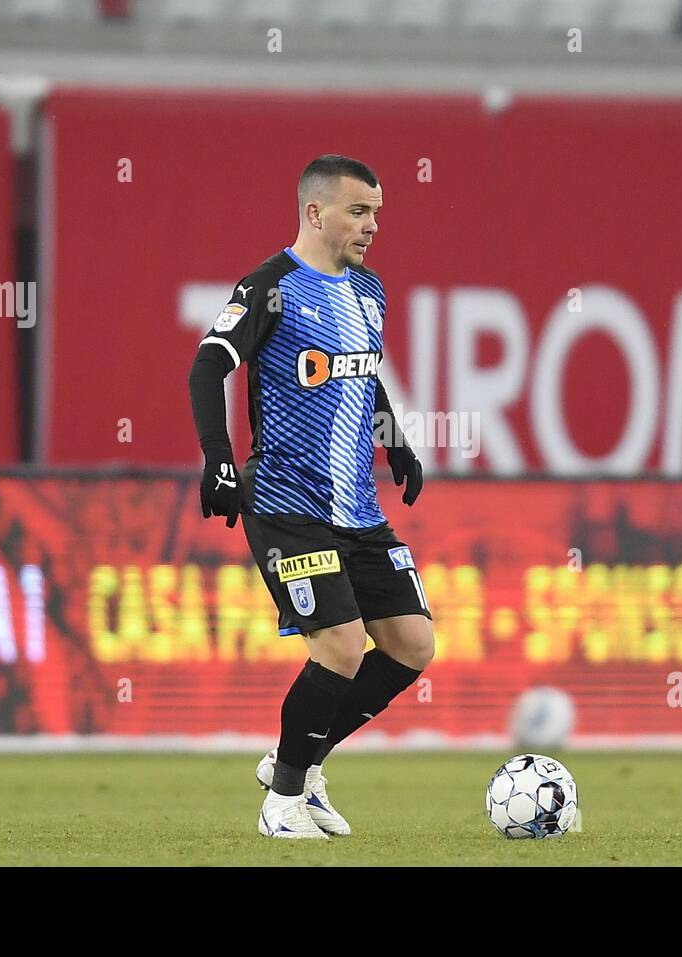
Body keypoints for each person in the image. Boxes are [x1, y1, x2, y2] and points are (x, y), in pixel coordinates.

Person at [188, 154, 435, 839]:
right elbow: (209, 364)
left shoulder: (368, 290)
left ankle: (300, 760)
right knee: (341, 644)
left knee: (413, 644)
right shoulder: (270, 288)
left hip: (357, 506)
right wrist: (218, 459)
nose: (372, 226)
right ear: (315, 212)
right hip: (285, 500)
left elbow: (364, 375)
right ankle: (283, 803)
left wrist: (395, 441)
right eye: (359, 211)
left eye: (378, 212)